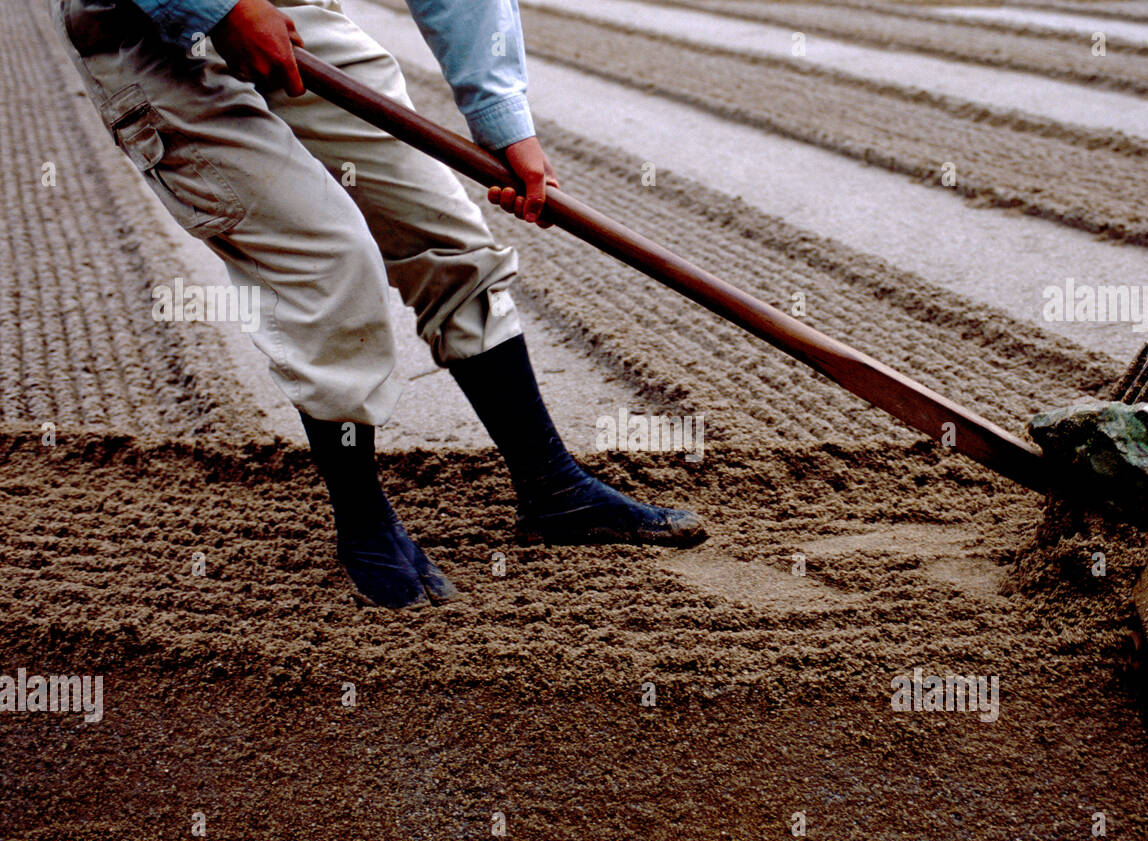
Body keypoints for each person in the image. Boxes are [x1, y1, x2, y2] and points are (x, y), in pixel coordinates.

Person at [51, 0, 706, 607]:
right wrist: (220, 8)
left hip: (293, 10)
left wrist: (503, 119)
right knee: (328, 258)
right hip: (142, 25)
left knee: (447, 236)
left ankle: (554, 489)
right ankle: (363, 521)